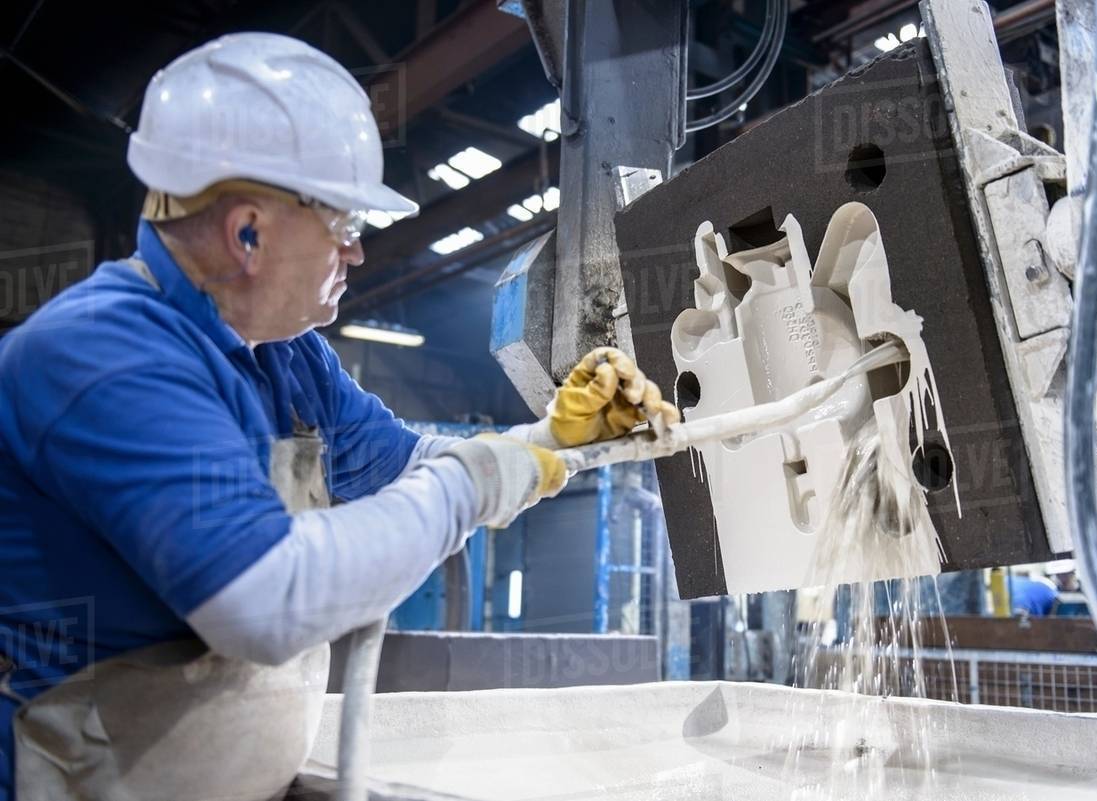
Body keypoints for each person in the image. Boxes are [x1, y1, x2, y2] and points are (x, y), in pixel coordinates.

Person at [0, 33, 678, 801]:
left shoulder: (287, 357)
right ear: (247, 232)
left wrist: (550, 439)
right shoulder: (102, 356)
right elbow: (262, 602)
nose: (355, 256)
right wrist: (469, 486)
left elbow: (408, 463)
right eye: (346, 227)